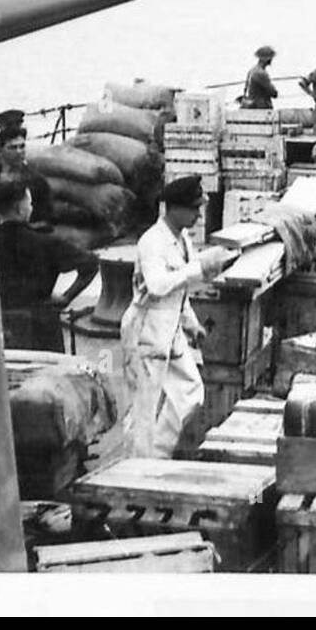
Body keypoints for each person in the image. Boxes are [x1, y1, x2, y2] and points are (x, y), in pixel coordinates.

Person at [119, 176, 236, 459]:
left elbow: (180, 291)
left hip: (171, 329)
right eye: (194, 208)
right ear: (173, 208)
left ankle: (157, 454)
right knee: (143, 408)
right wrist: (198, 270)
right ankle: (135, 470)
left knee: (190, 391)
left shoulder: (182, 239)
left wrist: (191, 324)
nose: (199, 215)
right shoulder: (152, 242)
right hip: (146, 331)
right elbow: (159, 286)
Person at [0, 179, 98, 352]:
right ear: (20, 209)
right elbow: (90, 264)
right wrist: (67, 297)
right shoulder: (46, 243)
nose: (31, 208)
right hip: (41, 325)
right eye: (30, 203)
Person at [0, 126, 54, 225]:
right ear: (0, 150)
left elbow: (46, 217)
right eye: (12, 147)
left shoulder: (36, 181)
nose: (19, 151)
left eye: (22, 146)